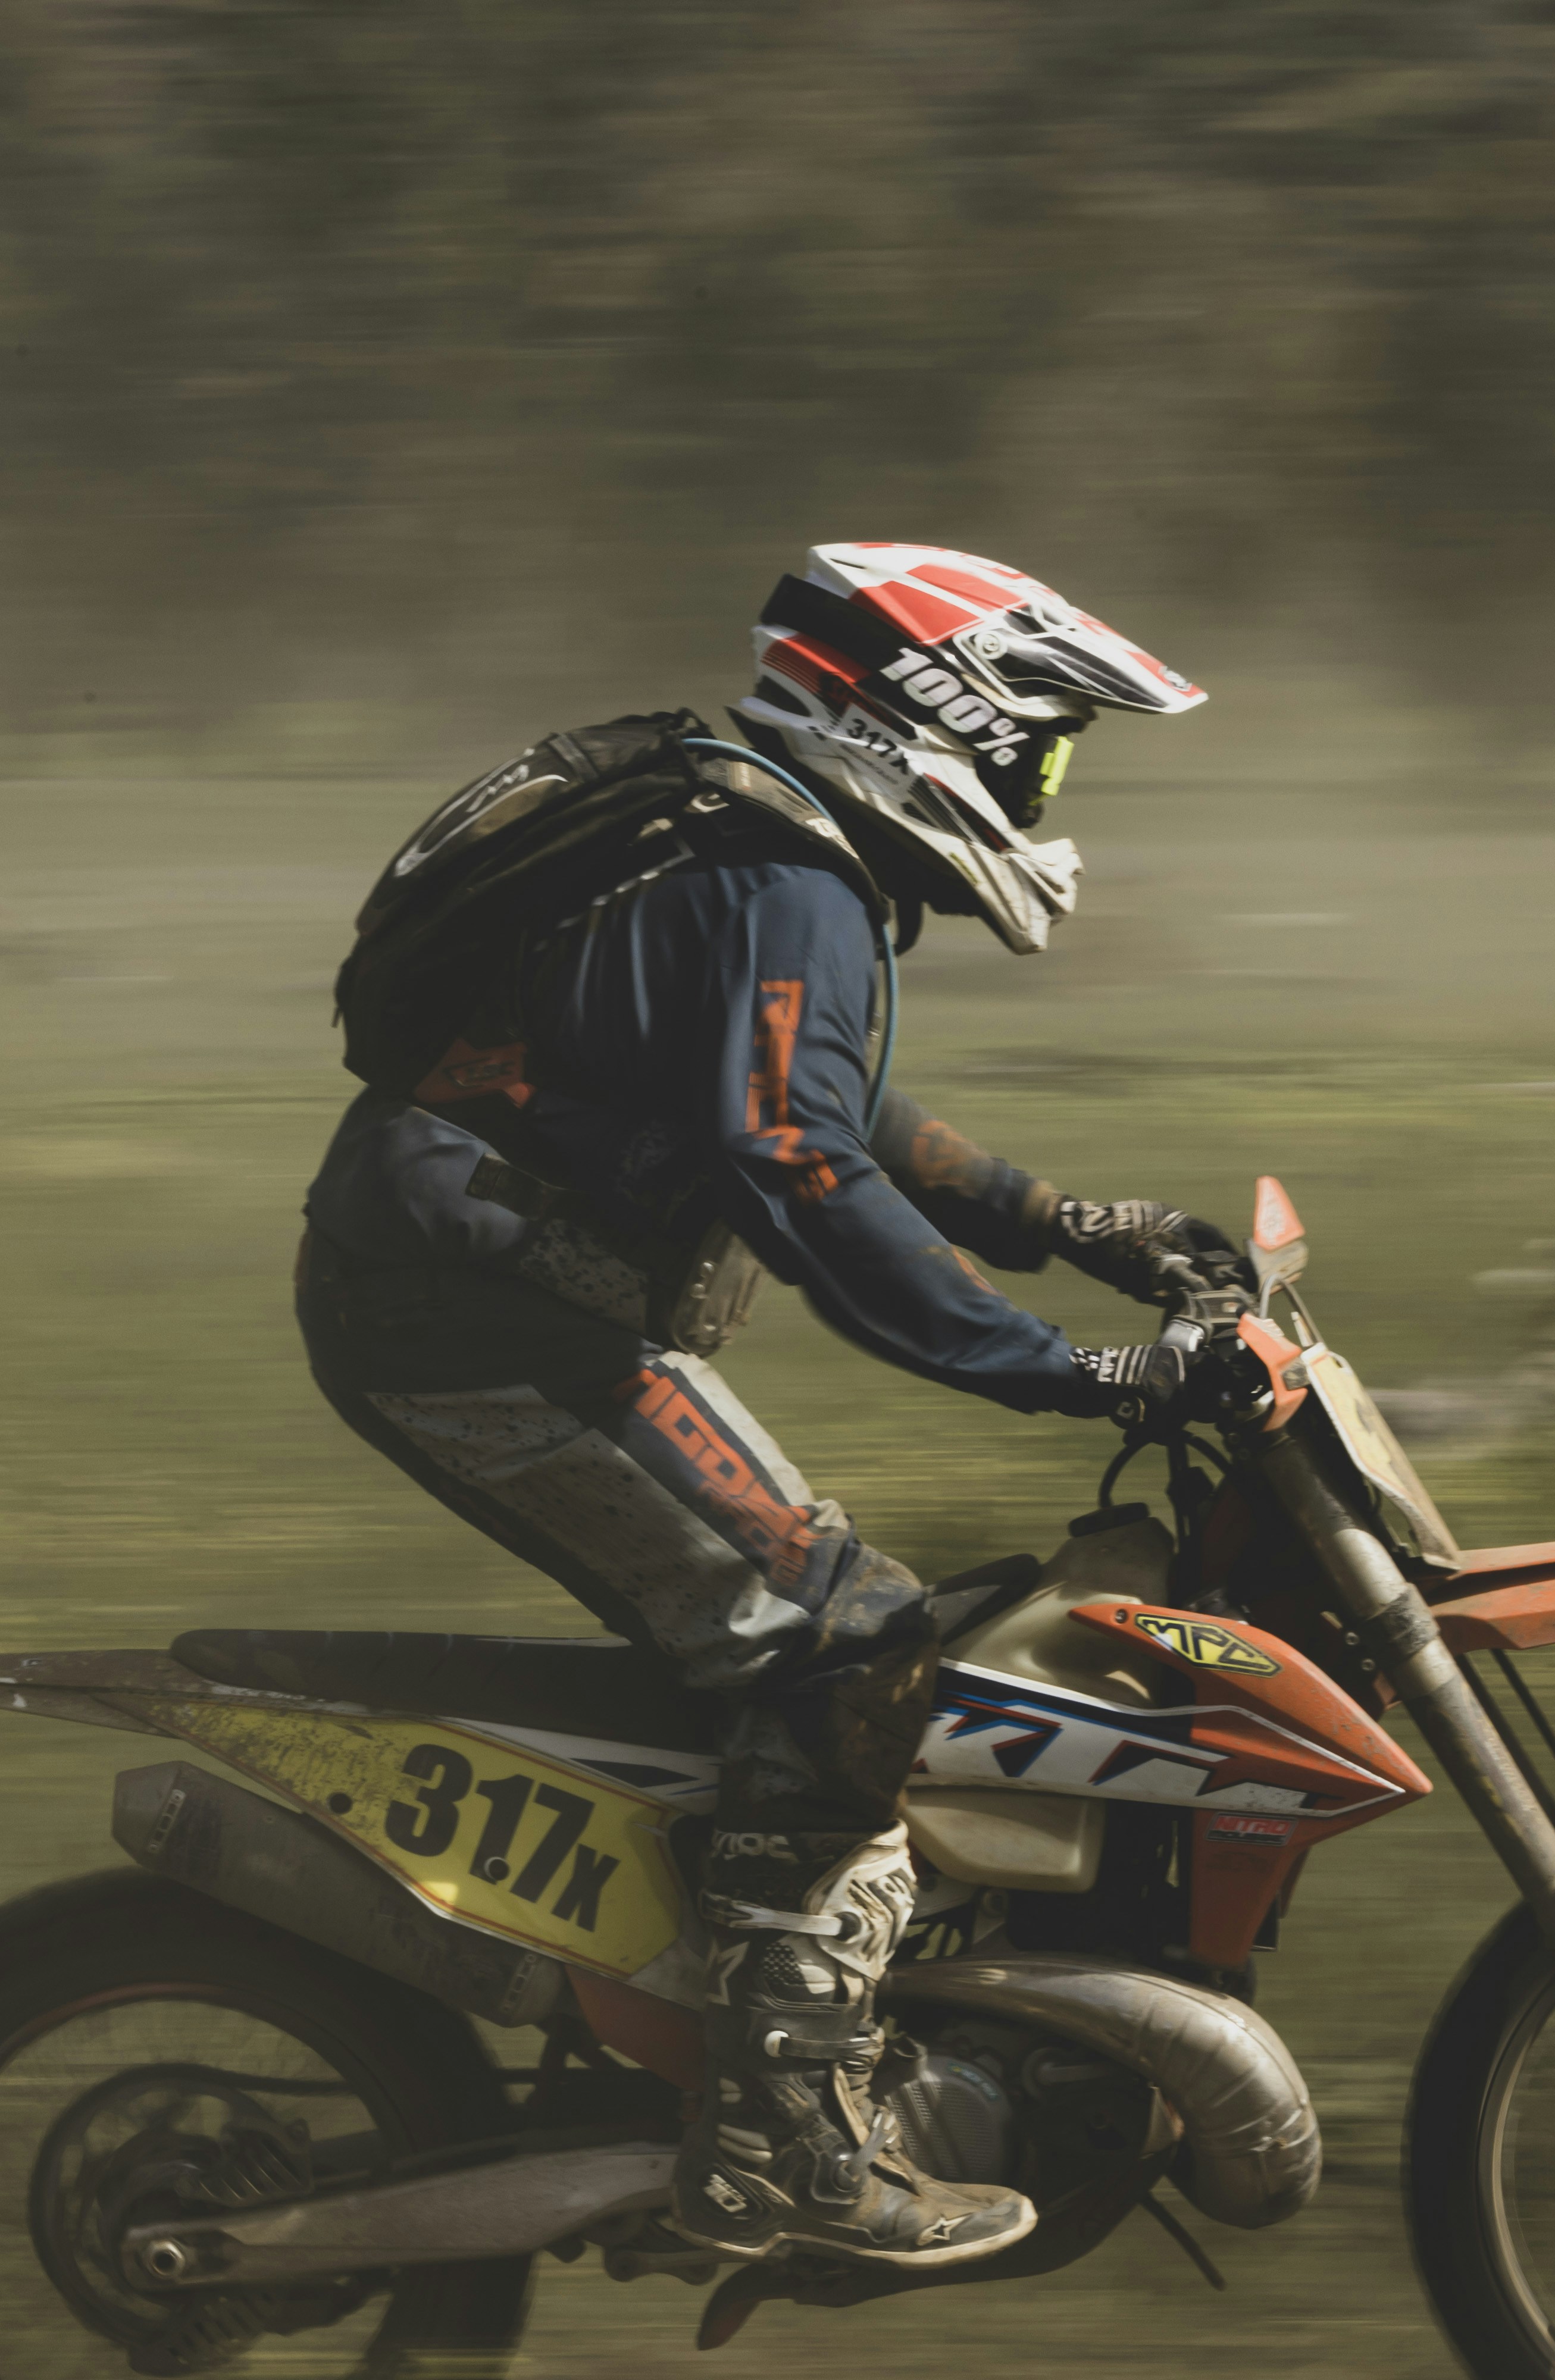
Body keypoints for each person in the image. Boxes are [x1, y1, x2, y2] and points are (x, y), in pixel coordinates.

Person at [296, 542, 1240, 2269]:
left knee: (840, 1634)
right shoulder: (783, 874)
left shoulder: (769, 853)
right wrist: (1065, 1367)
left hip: (502, 1305)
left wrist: (1073, 1227)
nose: (1044, 792)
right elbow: (795, 1158)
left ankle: (748, 2022)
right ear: (935, 721)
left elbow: (830, 1104)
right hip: (481, 1329)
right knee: (850, 1658)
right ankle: (779, 2143)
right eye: (1037, 750)